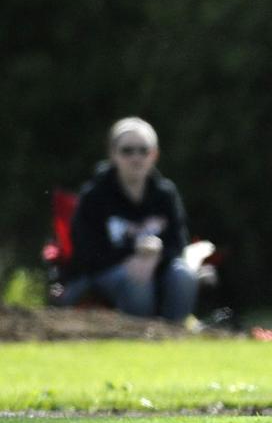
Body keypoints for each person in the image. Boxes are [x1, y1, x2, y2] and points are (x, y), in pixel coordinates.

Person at [54, 117, 198, 323]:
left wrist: (156, 254)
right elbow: (87, 252)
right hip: (108, 271)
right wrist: (132, 257)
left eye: (143, 150)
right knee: (137, 280)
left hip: (157, 266)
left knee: (183, 275)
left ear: (154, 154)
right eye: (127, 151)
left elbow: (178, 243)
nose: (136, 157)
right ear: (113, 155)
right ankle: (140, 337)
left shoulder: (165, 194)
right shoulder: (95, 195)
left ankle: (174, 335)